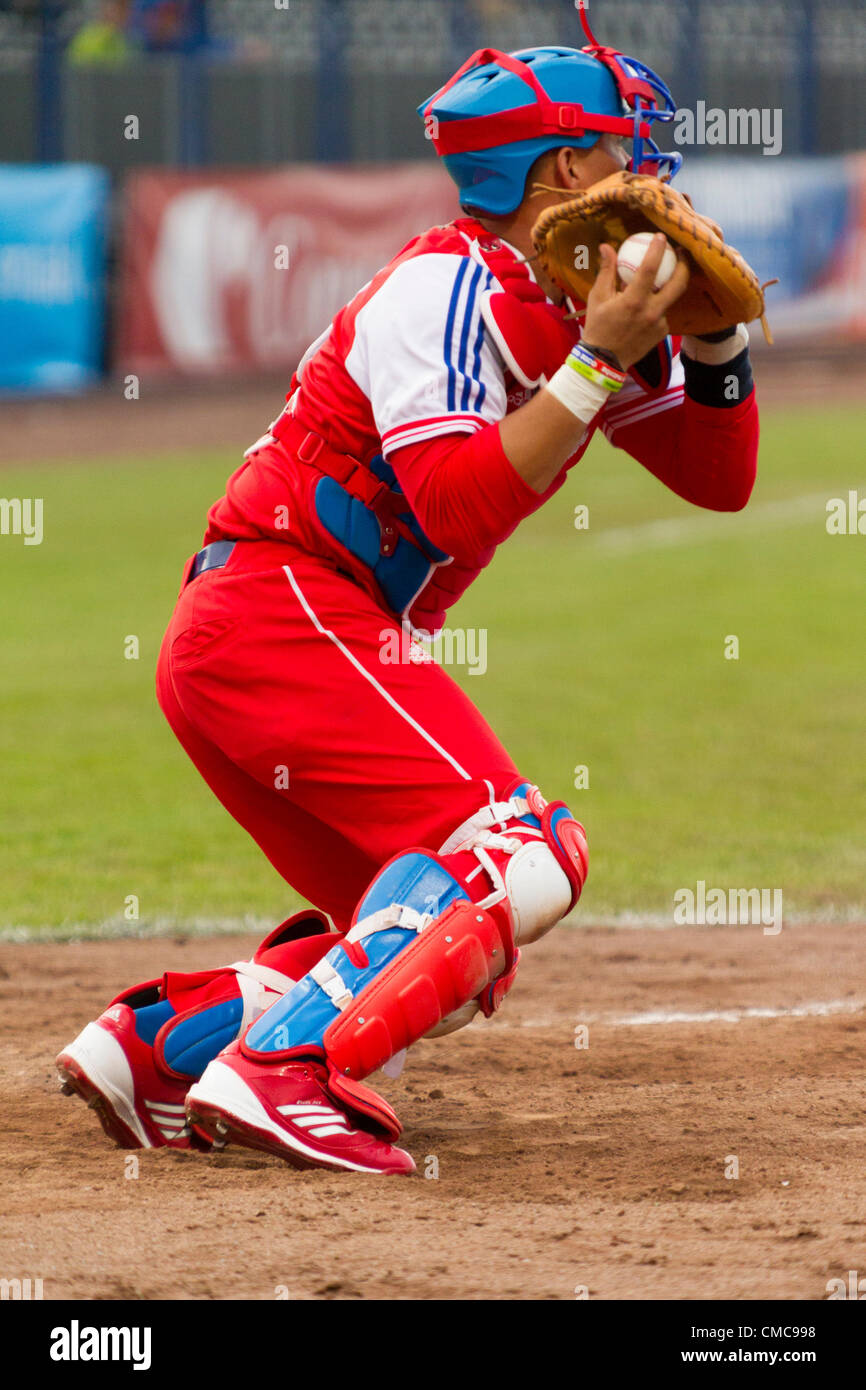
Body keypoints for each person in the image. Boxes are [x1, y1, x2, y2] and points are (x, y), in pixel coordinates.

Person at [57, 39, 758, 1174]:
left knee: (435, 941)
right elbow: (449, 504)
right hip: (279, 608)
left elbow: (717, 482)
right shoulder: (448, 281)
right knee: (522, 848)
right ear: (560, 172)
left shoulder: (565, 300)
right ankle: (286, 1076)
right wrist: (592, 364)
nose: (646, 164)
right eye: (618, 140)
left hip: (275, 627)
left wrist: (715, 340)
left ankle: (157, 1047)